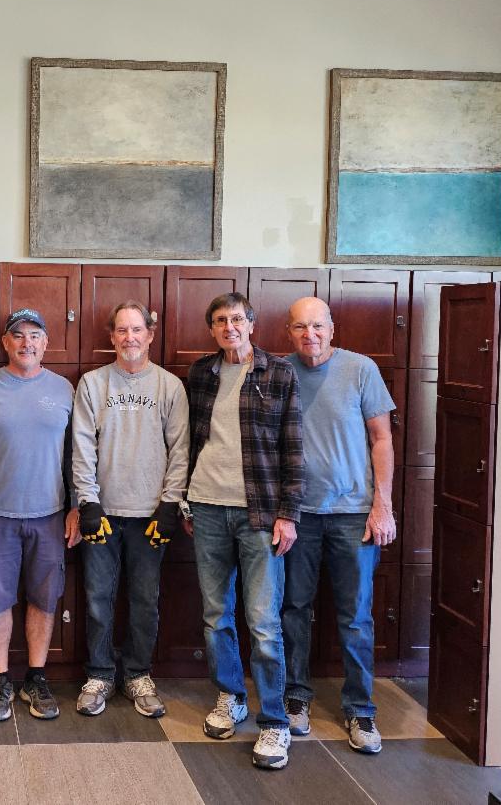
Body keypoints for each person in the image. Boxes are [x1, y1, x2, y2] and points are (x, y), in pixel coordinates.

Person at [183, 291, 302, 770]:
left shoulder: (279, 373)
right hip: (207, 508)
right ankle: (230, 696)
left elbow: (293, 448)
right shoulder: (201, 373)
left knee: (264, 623)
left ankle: (274, 721)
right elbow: (192, 441)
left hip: (261, 515)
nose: (229, 327)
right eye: (220, 320)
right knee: (216, 615)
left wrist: (288, 513)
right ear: (211, 329)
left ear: (251, 324)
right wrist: (187, 502)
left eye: (236, 319)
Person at [281, 296, 396, 754]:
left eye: (317, 326)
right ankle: (295, 697)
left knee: (356, 617)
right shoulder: (280, 371)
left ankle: (360, 709)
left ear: (332, 328)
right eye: (300, 327)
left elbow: (382, 438)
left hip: (354, 515)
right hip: (298, 515)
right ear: (288, 332)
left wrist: (382, 505)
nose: (309, 335)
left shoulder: (361, 369)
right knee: (293, 609)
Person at [71, 300, 189, 720]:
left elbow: (180, 450)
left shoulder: (170, 387)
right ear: (112, 337)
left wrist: (171, 505)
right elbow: (82, 446)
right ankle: (100, 674)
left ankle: (138, 674)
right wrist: (87, 501)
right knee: (97, 598)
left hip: (150, 517)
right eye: (121, 330)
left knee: (144, 599)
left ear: (150, 335)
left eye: (137, 330)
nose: (129, 337)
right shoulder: (92, 383)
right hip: (102, 514)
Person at [0, 308, 76, 722]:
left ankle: (36, 678)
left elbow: (75, 455)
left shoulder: (63, 389)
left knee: (44, 599)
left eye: (35, 335)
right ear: (5, 342)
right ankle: (0, 680)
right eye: (19, 335)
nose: (27, 343)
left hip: (51, 515)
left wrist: (77, 507)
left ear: (46, 343)